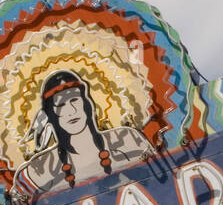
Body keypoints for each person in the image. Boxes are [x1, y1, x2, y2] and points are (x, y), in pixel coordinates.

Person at [13, 70, 155, 197]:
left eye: (74, 99)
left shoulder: (126, 140)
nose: (72, 110)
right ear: (51, 114)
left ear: (87, 103)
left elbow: (159, 181)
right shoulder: (42, 169)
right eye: (61, 104)